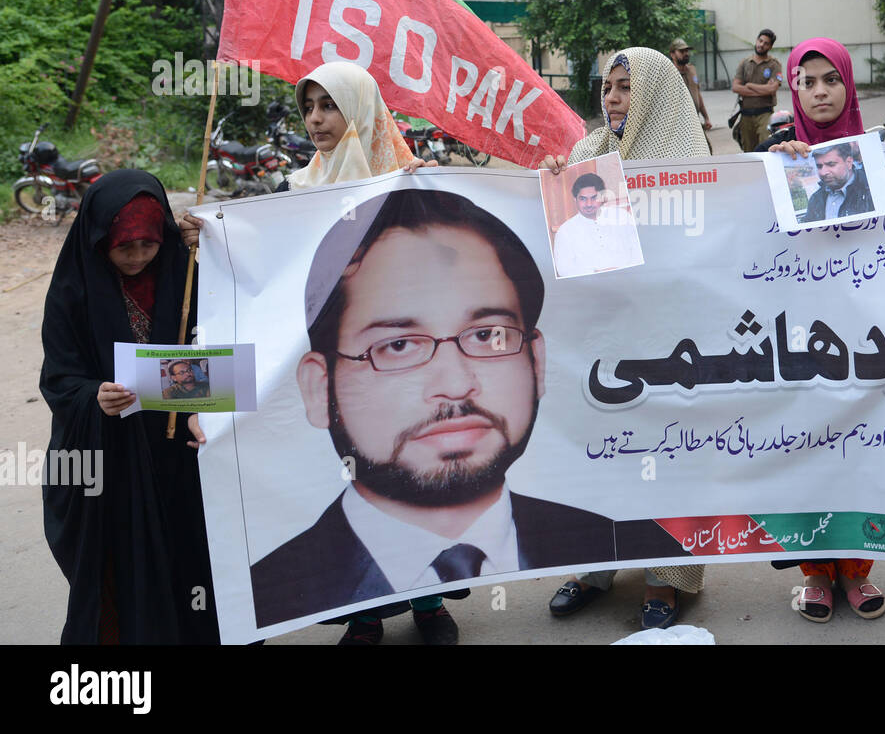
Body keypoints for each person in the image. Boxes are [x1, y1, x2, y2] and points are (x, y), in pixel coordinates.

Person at [249, 188, 622, 628]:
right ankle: (366, 622)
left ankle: (430, 606)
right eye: (397, 345)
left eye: (488, 335)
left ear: (536, 362)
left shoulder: (606, 539)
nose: (456, 385)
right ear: (319, 387)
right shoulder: (268, 591)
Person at [181, 61, 452, 645]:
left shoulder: (407, 181)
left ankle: (429, 605)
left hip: (407, 367)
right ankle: (364, 613)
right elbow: (261, 265)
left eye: (329, 105)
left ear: (359, 108)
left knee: (414, 479)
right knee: (347, 484)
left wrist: (432, 192)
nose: (316, 119)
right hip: (335, 368)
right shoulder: (296, 192)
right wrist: (214, 240)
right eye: (308, 107)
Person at [540, 47, 709, 628]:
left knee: (668, 450)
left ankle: (665, 578)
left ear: (656, 93)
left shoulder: (688, 158)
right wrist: (554, 180)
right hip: (603, 336)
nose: (612, 99)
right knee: (601, 448)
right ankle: (595, 568)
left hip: (669, 339)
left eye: (625, 88)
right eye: (607, 87)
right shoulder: (586, 155)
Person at [41, 170, 219, 644]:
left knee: (194, 564)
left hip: (183, 454)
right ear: (99, 239)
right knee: (122, 573)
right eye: (124, 247)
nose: (138, 257)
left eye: (149, 244)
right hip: (114, 458)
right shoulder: (72, 291)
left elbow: (224, 345)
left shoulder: (189, 274)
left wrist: (216, 244)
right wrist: (92, 395)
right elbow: (59, 378)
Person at [767, 37, 885, 623]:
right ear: (793, 89)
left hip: (865, 335)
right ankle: (815, 572)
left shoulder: (879, 160)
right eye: (806, 82)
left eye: (830, 80)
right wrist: (775, 167)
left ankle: (858, 570)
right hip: (801, 335)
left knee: (862, 447)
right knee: (808, 448)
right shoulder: (776, 158)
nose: (819, 92)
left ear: (848, 84)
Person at [551, 173, 642, 277]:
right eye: (583, 199)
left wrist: (625, 272)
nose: (589, 204)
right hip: (590, 283)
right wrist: (596, 274)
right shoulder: (565, 231)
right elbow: (564, 269)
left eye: (594, 198)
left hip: (629, 277)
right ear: (575, 200)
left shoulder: (623, 217)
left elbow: (639, 253)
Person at [732, 29, 784, 152]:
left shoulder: (774, 65)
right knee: (748, 151)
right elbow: (735, 87)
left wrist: (749, 85)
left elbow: (772, 89)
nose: (761, 45)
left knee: (766, 149)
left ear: (770, 46)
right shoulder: (745, 63)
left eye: (766, 43)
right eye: (760, 41)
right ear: (756, 40)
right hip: (746, 114)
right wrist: (763, 89)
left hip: (765, 113)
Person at [800, 143, 874, 223]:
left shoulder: (870, 190)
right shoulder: (815, 199)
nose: (823, 172)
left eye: (831, 164)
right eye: (819, 166)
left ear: (849, 162)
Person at [669, 37, 712, 131]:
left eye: (687, 51)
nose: (686, 54)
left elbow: (698, 95)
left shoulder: (692, 70)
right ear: (672, 55)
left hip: (694, 121)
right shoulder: (669, 73)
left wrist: (706, 118)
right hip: (677, 125)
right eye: (681, 51)